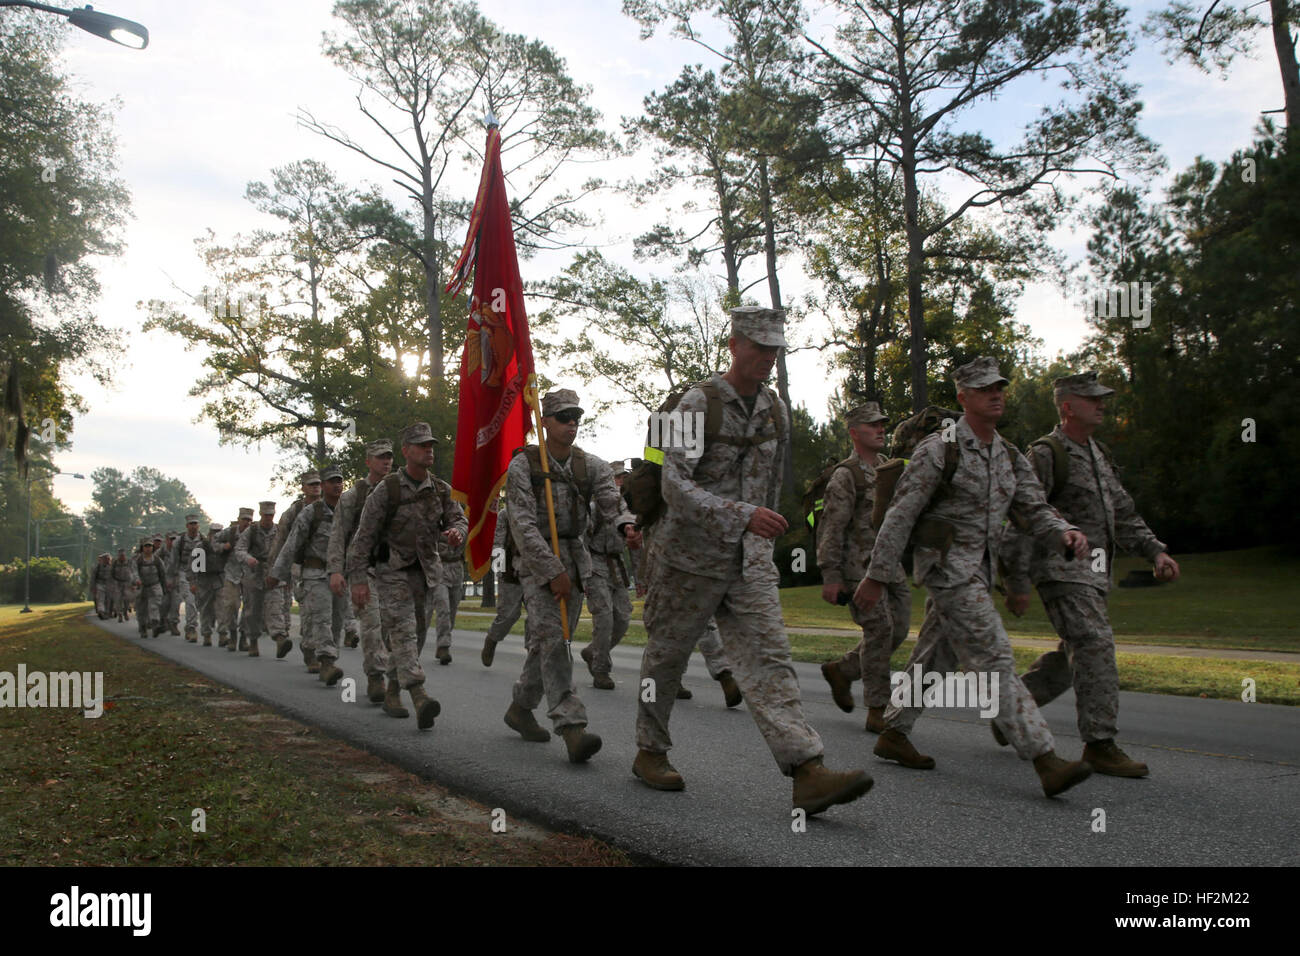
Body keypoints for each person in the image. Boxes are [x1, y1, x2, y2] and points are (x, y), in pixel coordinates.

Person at [635, 306, 872, 816]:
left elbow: (769, 481)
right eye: (758, 347)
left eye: (774, 349)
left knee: (770, 658)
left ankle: (806, 769)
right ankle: (650, 751)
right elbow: (672, 486)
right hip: (687, 561)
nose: (767, 357)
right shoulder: (696, 404)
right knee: (666, 660)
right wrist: (741, 515)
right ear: (735, 345)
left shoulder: (776, 410)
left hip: (749, 562)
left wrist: (760, 533)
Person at [854, 356, 1093, 798]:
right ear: (963, 397)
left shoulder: (1008, 455)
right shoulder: (940, 449)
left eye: (999, 386)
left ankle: (894, 732)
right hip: (948, 571)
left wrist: (1065, 531)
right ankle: (1044, 757)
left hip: (978, 572)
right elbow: (900, 516)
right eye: (985, 389)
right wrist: (877, 575)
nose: (996, 394)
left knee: (934, 655)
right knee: (994, 656)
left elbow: (1033, 508)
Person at [999, 370, 1179, 777]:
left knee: (1075, 650)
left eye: (1102, 398)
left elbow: (1124, 513)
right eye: (1092, 398)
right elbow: (1023, 515)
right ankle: (1099, 744)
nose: (1101, 404)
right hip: (1060, 571)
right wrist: (1017, 580)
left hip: (1095, 576)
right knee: (1094, 642)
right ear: (1067, 407)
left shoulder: (1096, 454)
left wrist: (1155, 552)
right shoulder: (1046, 454)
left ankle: (1011, 712)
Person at [502, 388, 634, 763]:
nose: (572, 422)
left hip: (576, 559)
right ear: (545, 422)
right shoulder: (523, 466)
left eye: (576, 416)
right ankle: (572, 725)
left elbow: (612, 503)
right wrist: (552, 570)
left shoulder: (589, 465)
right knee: (556, 642)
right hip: (536, 562)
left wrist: (627, 527)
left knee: (552, 638)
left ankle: (520, 707)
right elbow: (523, 526)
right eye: (563, 416)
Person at [346, 422, 467, 729]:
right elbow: (364, 537)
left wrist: (456, 532)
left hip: (425, 573)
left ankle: (392, 691)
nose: (429, 451)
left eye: (431, 446)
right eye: (422, 446)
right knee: (403, 631)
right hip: (392, 572)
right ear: (406, 451)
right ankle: (419, 694)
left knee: (420, 633)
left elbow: (458, 519)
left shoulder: (439, 489)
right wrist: (358, 579)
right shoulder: (386, 489)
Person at [816, 402, 911, 732]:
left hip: (890, 567)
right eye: (873, 425)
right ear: (855, 433)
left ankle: (842, 671)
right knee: (880, 630)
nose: (881, 429)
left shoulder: (889, 468)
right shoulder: (847, 475)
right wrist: (831, 575)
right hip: (859, 570)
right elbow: (832, 527)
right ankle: (877, 708)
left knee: (898, 630)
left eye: (883, 423)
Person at [328, 440, 395, 702]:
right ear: (368, 461)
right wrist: (335, 570)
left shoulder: (397, 490)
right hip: (363, 570)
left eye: (389, 457)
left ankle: (397, 680)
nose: (386, 462)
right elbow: (338, 536)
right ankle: (376, 677)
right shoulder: (353, 497)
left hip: (394, 569)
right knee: (372, 625)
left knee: (396, 628)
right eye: (380, 457)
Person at [271, 464, 347, 685]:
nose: (337, 485)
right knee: (321, 618)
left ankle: (328, 656)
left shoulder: (347, 510)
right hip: (315, 574)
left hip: (340, 574)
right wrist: (277, 573)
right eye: (332, 481)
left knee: (336, 621)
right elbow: (291, 544)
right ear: (323, 486)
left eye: (340, 481)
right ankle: (327, 663)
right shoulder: (311, 512)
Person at [579, 463, 636, 690]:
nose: (620, 483)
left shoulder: (627, 509)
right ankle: (601, 669)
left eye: (623, 478)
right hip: (595, 564)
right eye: (617, 478)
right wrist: (582, 574)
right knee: (604, 619)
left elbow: (634, 543)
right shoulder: (592, 508)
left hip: (617, 565)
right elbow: (580, 541)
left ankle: (593, 651)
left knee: (622, 619)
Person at [268, 471, 322, 655]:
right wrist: (275, 571)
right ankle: (311, 650)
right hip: (299, 566)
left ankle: (321, 649)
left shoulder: (331, 507)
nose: (316, 487)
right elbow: (281, 541)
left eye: (318, 484)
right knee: (308, 607)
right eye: (311, 484)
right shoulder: (293, 512)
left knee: (324, 613)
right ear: (303, 488)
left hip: (326, 566)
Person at [480, 500, 524, 667]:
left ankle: (534, 654)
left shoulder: (538, 511)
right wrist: (500, 570)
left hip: (535, 570)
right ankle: (492, 639)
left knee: (537, 618)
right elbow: (498, 543)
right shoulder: (505, 515)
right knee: (509, 615)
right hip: (511, 572)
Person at [234, 502, 277, 657]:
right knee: (253, 609)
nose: (268, 518)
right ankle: (252, 640)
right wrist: (248, 558)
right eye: (266, 515)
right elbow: (239, 549)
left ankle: (280, 637)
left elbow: (286, 550)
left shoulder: (278, 530)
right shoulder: (252, 531)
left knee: (275, 606)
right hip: (253, 573)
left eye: (271, 515)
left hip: (272, 572)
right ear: (260, 514)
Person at [426, 517, 467, 665]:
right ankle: (444, 646)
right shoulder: (432, 513)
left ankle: (442, 642)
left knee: (453, 609)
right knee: (443, 607)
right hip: (438, 566)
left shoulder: (459, 515)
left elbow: (467, 529)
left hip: (457, 567)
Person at [216, 509, 252, 651]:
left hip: (249, 573)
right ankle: (232, 635)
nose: (247, 522)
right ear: (238, 519)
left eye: (249, 520)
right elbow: (213, 540)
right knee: (231, 605)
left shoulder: (253, 532)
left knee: (249, 608)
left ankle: (243, 637)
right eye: (244, 519)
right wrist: (222, 547)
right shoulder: (230, 532)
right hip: (231, 572)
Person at [195, 521, 226, 646]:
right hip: (204, 580)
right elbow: (195, 567)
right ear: (209, 534)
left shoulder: (224, 547)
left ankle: (223, 634)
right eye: (214, 533)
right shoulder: (201, 547)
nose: (217, 536)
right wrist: (194, 583)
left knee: (222, 607)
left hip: (220, 579)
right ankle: (206, 634)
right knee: (206, 608)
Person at [174, 516, 205, 642]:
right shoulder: (179, 541)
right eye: (191, 524)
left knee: (199, 603)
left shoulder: (203, 540)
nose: (193, 526)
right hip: (184, 574)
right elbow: (173, 560)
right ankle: (192, 628)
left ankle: (189, 626)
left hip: (199, 574)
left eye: (195, 524)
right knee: (190, 600)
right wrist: (172, 577)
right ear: (187, 526)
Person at [131, 538, 168, 639]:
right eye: (146, 546)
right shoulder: (138, 560)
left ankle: (155, 624)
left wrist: (164, 587)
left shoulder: (157, 560)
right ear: (142, 548)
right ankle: (143, 628)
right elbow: (134, 572)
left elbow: (163, 574)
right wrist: (137, 580)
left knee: (154, 606)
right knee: (141, 609)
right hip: (141, 586)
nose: (148, 548)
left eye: (150, 546)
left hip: (154, 585)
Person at [110, 548, 132, 621]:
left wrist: (133, 583)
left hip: (126, 583)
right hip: (117, 583)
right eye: (120, 555)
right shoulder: (115, 563)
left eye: (123, 555)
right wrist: (112, 584)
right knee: (118, 599)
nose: (122, 557)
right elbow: (111, 573)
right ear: (118, 556)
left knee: (127, 599)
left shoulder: (129, 562)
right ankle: (120, 614)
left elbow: (133, 572)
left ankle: (125, 612)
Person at [90, 553, 112, 618]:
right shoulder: (97, 567)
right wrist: (93, 587)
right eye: (106, 559)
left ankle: (107, 612)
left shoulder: (112, 567)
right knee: (101, 599)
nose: (107, 560)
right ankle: (101, 612)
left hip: (109, 585)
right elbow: (93, 578)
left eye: (108, 559)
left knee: (108, 600)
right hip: (100, 585)